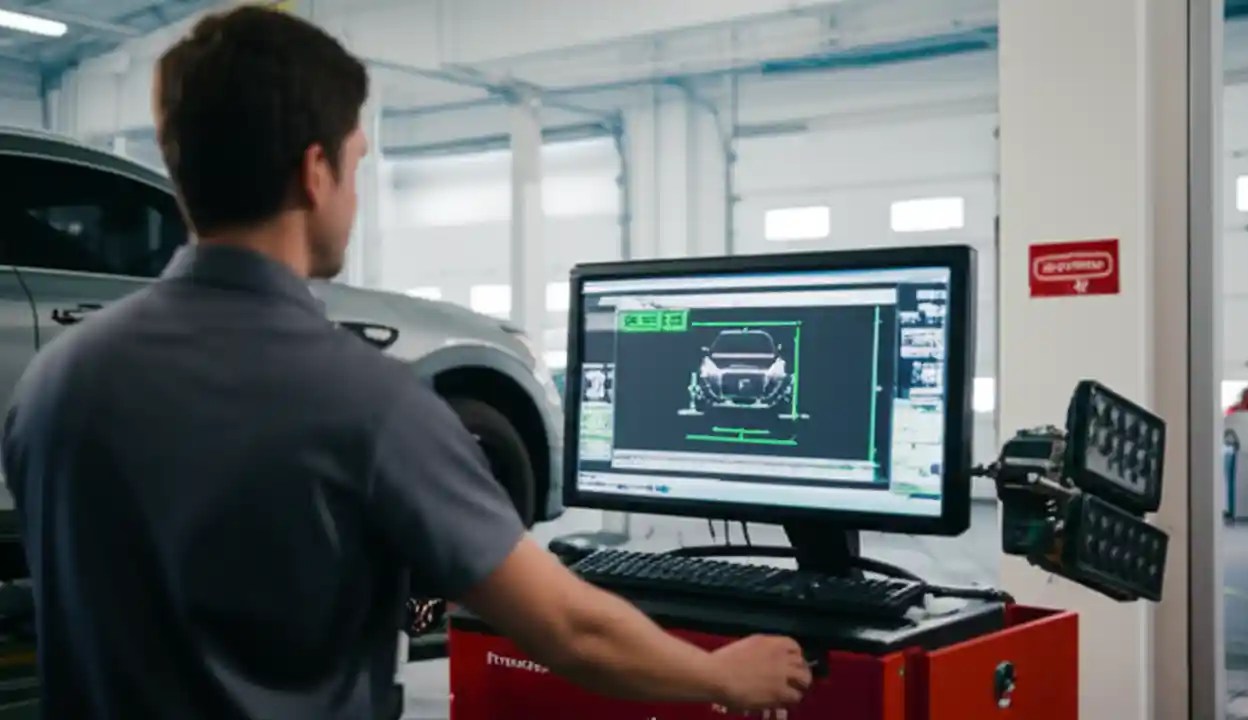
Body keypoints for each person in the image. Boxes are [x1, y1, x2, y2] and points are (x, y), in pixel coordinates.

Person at [0, 6, 811, 720]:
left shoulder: (54, 383)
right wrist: (723, 673)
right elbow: (570, 629)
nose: (354, 194)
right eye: (357, 164)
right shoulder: (367, 402)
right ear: (316, 172)